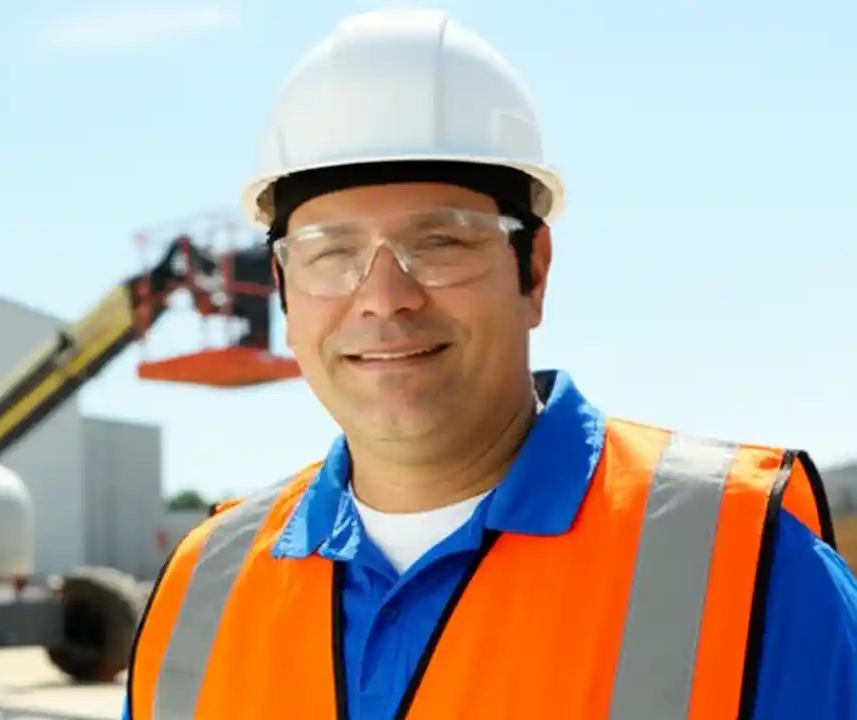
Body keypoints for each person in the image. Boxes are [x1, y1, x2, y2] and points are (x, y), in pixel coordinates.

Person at [122, 8, 857, 719]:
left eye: (440, 242)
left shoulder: (745, 568)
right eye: (332, 253)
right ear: (284, 291)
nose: (383, 297)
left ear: (532, 270)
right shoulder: (200, 594)